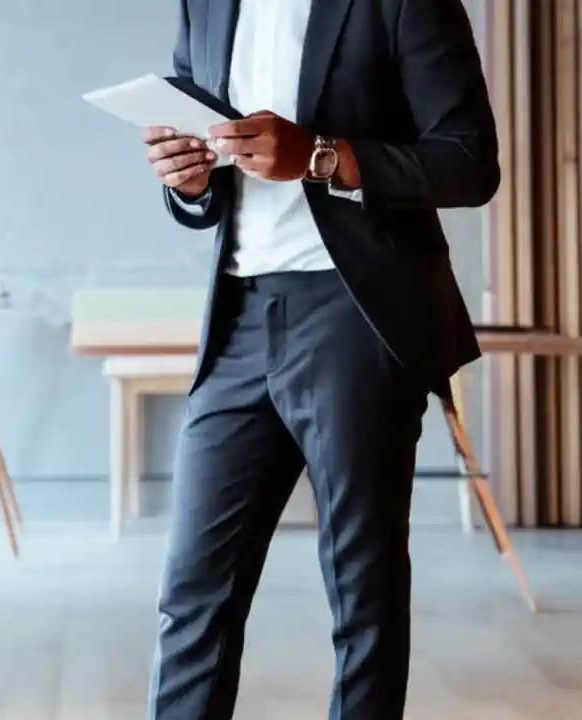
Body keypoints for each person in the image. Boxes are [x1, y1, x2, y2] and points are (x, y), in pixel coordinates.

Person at [141, 0, 498, 717]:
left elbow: (468, 161)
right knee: (192, 593)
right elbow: (204, 171)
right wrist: (186, 181)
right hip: (240, 312)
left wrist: (322, 156)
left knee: (361, 587)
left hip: (356, 311)